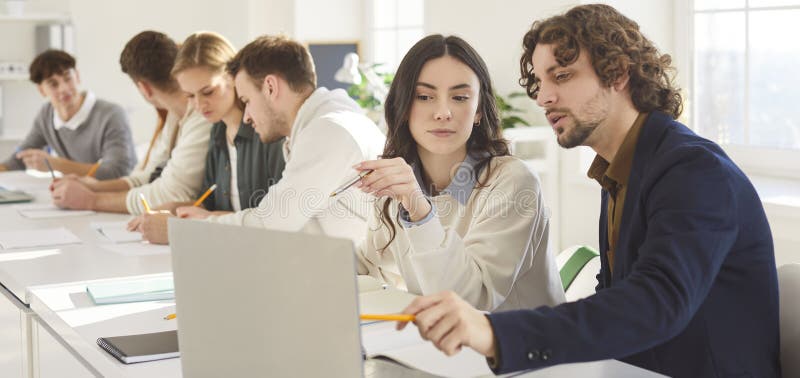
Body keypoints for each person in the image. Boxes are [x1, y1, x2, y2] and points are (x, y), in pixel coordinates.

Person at [397, 5, 781, 378]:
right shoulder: (620, 170)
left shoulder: (693, 171)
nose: (543, 98)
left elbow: (656, 303)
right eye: (540, 82)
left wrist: (495, 333)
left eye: (561, 76)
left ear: (618, 73)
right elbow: (614, 299)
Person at [354, 35, 563, 312]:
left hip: (520, 348)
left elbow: (472, 301)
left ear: (478, 110)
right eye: (425, 97)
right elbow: (368, 263)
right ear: (403, 108)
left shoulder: (513, 181)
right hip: (444, 349)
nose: (443, 112)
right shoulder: (402, 182)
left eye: (460, 97)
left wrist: (418, 208)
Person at [138, 35, 385, 244]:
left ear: (270, 87)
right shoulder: (325, 122)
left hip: (354, 282)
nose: (246, 117)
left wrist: (180, 231)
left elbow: (271, 224)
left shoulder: (329, 131)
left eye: (246, 101)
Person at [132, 31, 286, 242]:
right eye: (190, 96)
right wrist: (175, 209)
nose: (199, 105)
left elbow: (275, 221)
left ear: (233, 78)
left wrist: (187, 227)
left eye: (208, 92)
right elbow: (210, 201)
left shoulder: (269, 133)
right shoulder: (217, 132)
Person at [51, 31, 213, 214]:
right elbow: (149, 177)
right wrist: (94, 187)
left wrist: (92, 200)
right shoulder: (174, 115)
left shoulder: (202, 117)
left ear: (144, 88)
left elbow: (171, 194)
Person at [0, 49, 136, 179]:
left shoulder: (112, 115)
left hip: (119, 195)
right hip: (79, 193)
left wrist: (54, 164)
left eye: (67, 78)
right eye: (53, 84)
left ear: (77, 76)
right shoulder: (46, 114)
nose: (63, 89)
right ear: (41, 90)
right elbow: (18, 159)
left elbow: (117, 171)